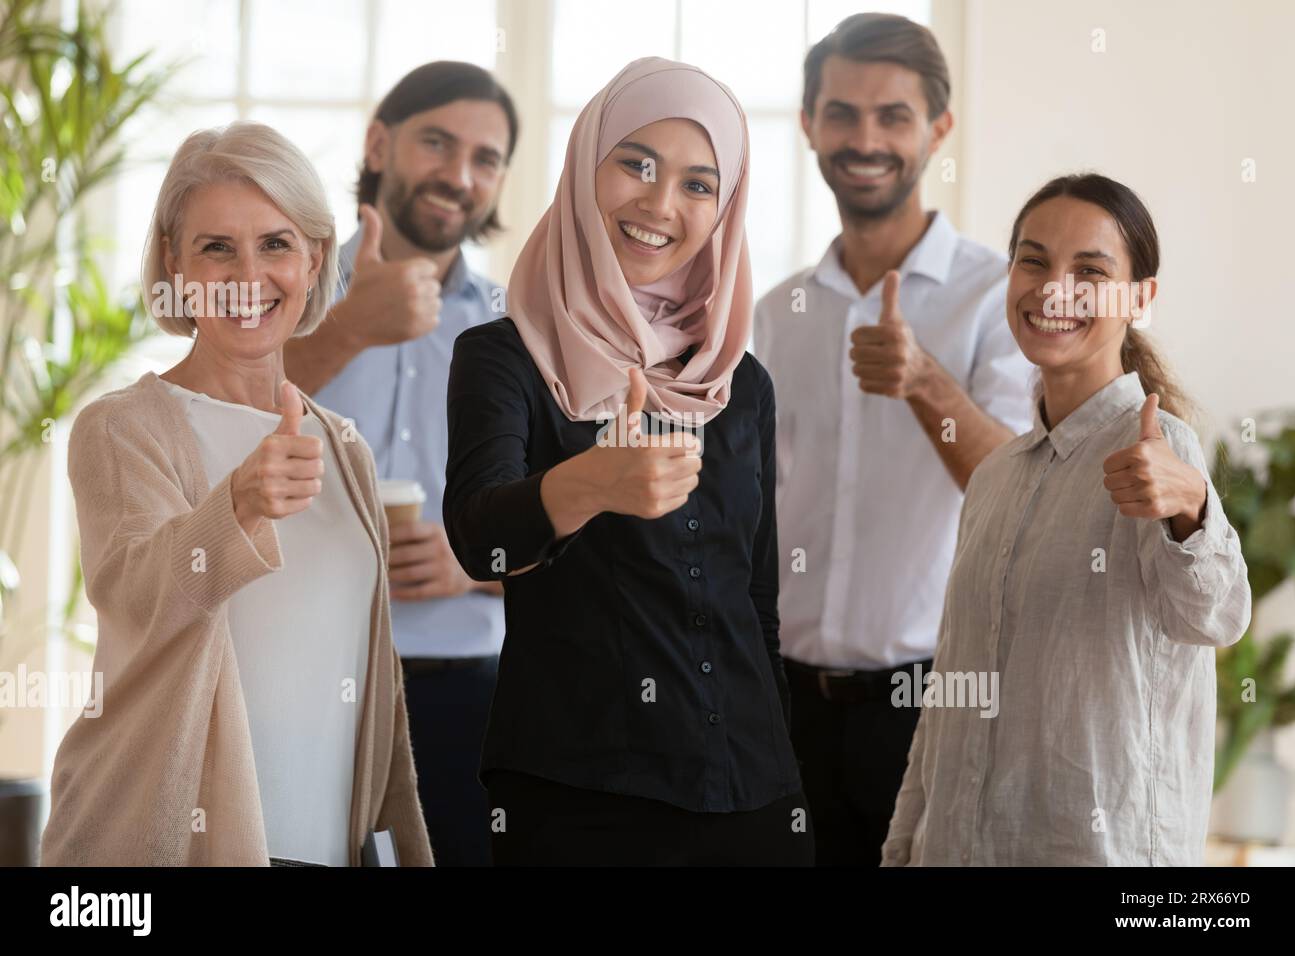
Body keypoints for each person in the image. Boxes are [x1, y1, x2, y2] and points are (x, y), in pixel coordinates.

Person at [442, 57, 812, 866]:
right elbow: (481, 541)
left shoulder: (740, 381)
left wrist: (782, 769)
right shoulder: (504, 356)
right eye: (636, 165)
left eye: (699, 184)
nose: (660, 203)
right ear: (586, 166)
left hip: (753, 796)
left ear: (726, 208)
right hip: (580, 799)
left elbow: (756, 597)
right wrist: (591, 483)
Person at [41, 122, 432, 867]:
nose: (248, 275)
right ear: (176, 268)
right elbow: (138, 594)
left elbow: (376, 692)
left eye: (276, 244)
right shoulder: (121, 428)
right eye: (216, 248)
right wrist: (238, 505)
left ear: (315, 259)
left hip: (329, 850)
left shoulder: (343, 446)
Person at [882, 173, 1251, 866]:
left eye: (1090, 270)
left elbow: (1215, 617)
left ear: (1140, 299)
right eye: (1033, 260)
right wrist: (903, 847)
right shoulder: (995, 475)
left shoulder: (1160, 452)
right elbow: (945, 703)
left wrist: (1192, 510)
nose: (1054, 289)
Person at [752, 12, 1034, 865]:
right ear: (808, 123)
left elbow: (1017, 490)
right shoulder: (777, 312)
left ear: (938, 130)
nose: (863, 138)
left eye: (892, 116)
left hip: (930, 703)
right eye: (841, 113)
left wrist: (922, 381)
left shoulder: (998, 297)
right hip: (781, 704)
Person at [283, 62, 517, 867]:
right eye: (437, 143)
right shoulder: (290, 288)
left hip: (468, 688)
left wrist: (478, 565)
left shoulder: (520, 328)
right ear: (379, 143)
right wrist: (346, 327)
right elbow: (211, 432)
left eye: (485, 158)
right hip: (302, 672)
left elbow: (583, 523)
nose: (459, 175)